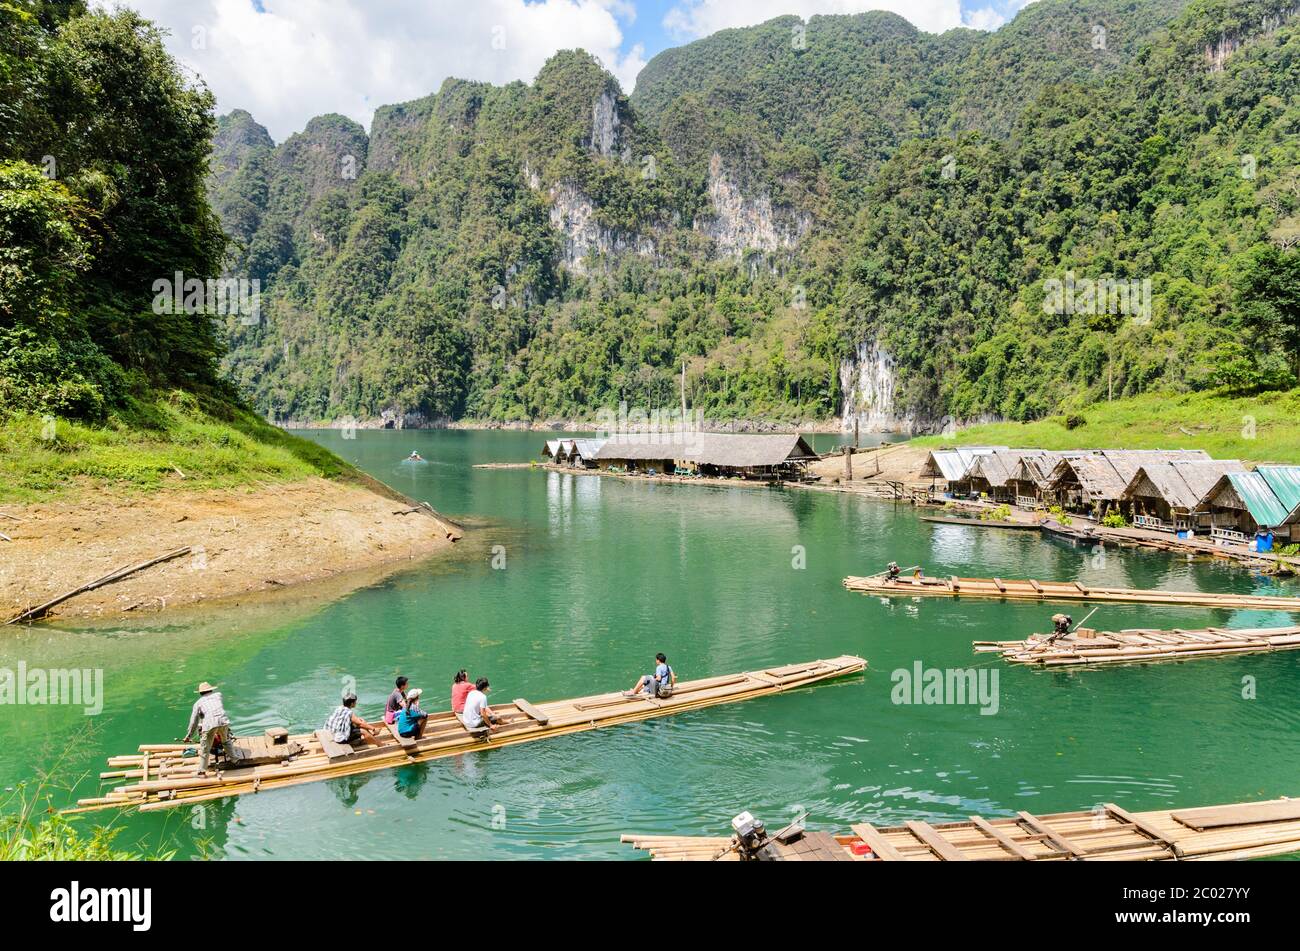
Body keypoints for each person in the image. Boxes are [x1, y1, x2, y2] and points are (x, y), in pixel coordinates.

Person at [183, 681, 233, 777]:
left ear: (200, 693)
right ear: (211, 690)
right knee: (226, 741)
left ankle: (202, 771)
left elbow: (194, 722)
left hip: (210, 725)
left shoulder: (198, 704)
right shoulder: (218, 695)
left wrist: (188, 736)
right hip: (224, 721)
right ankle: (236, 759)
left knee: (205, 749)